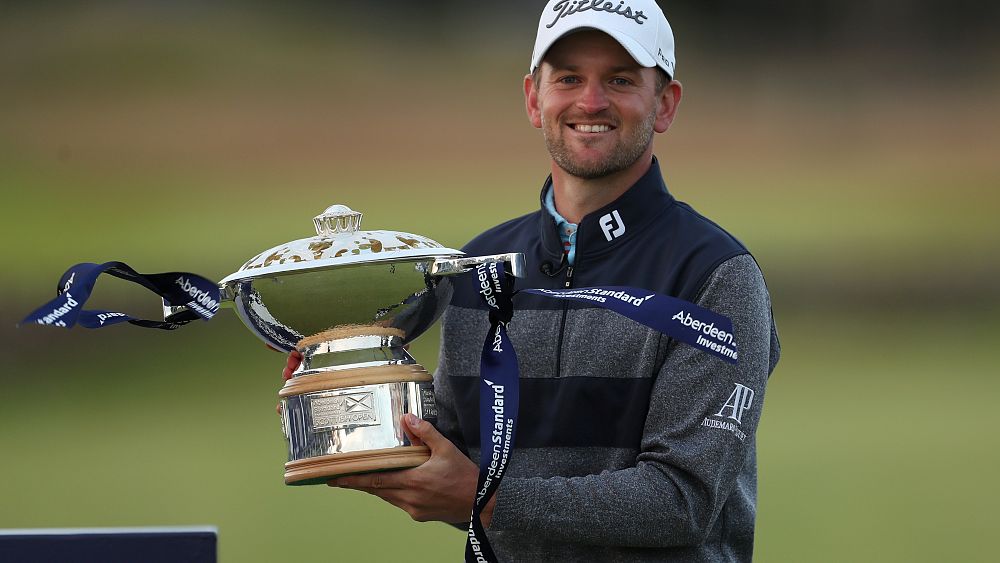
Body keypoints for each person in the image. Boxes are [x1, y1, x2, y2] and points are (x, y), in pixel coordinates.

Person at [287, 1, 780, 560]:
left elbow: (682, 500)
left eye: (620, 79)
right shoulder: (478, 269)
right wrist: (345, 399)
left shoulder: (713, 274)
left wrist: (486, 498)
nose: (590, 102)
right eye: (568, 78)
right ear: (532, 98)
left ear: (665, 104)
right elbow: (453, 459)